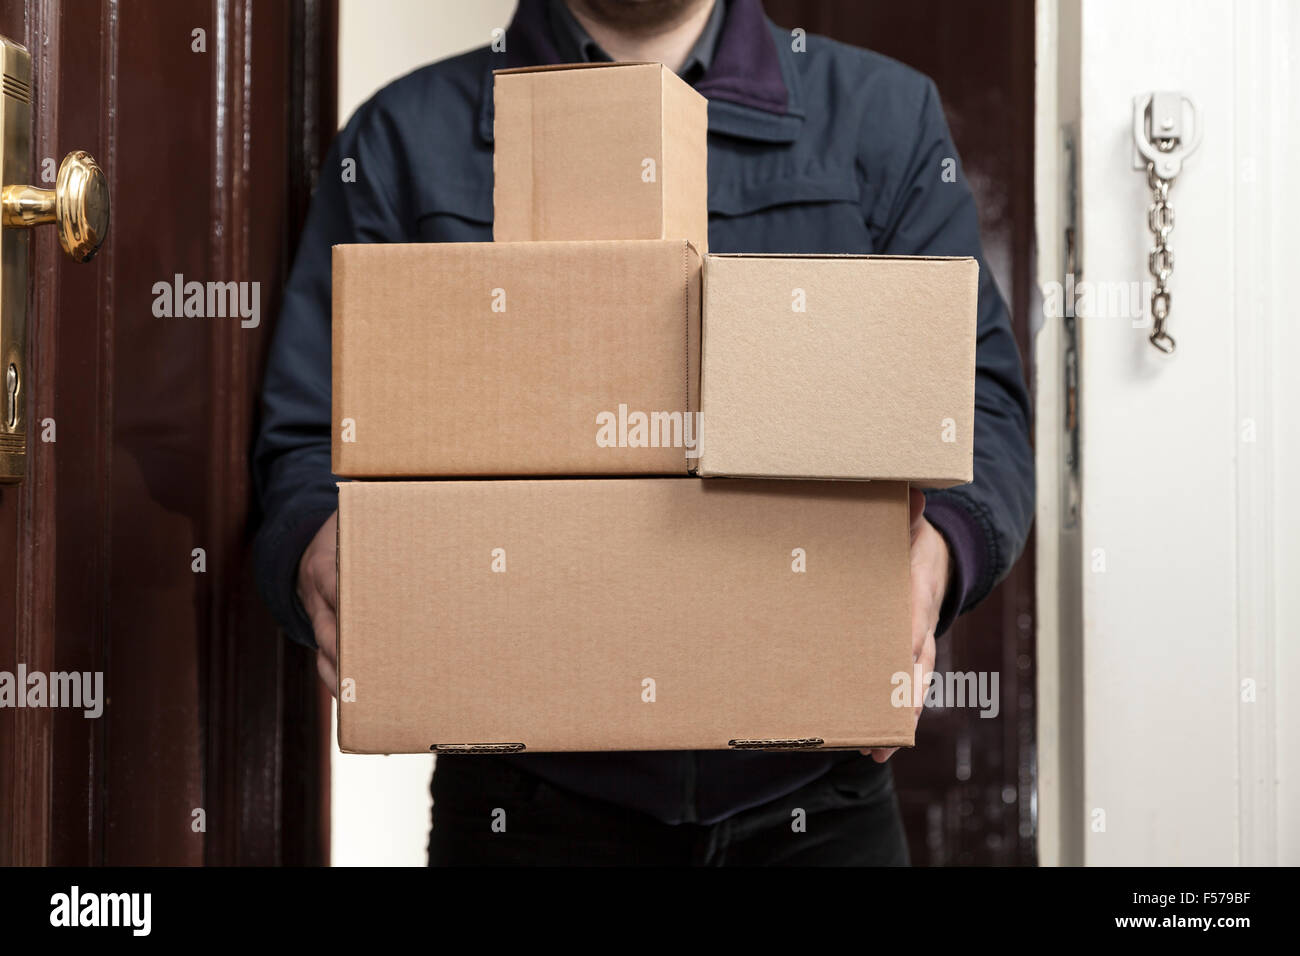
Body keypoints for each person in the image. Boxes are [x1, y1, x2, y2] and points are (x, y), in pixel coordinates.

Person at [253, 0, 1034, 866]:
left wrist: (942, 555)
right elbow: (306, 435)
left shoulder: (882, 118)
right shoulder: (404, 138)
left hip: (817, 804)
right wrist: (315, 551)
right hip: (526, 807)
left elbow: (978, 406)